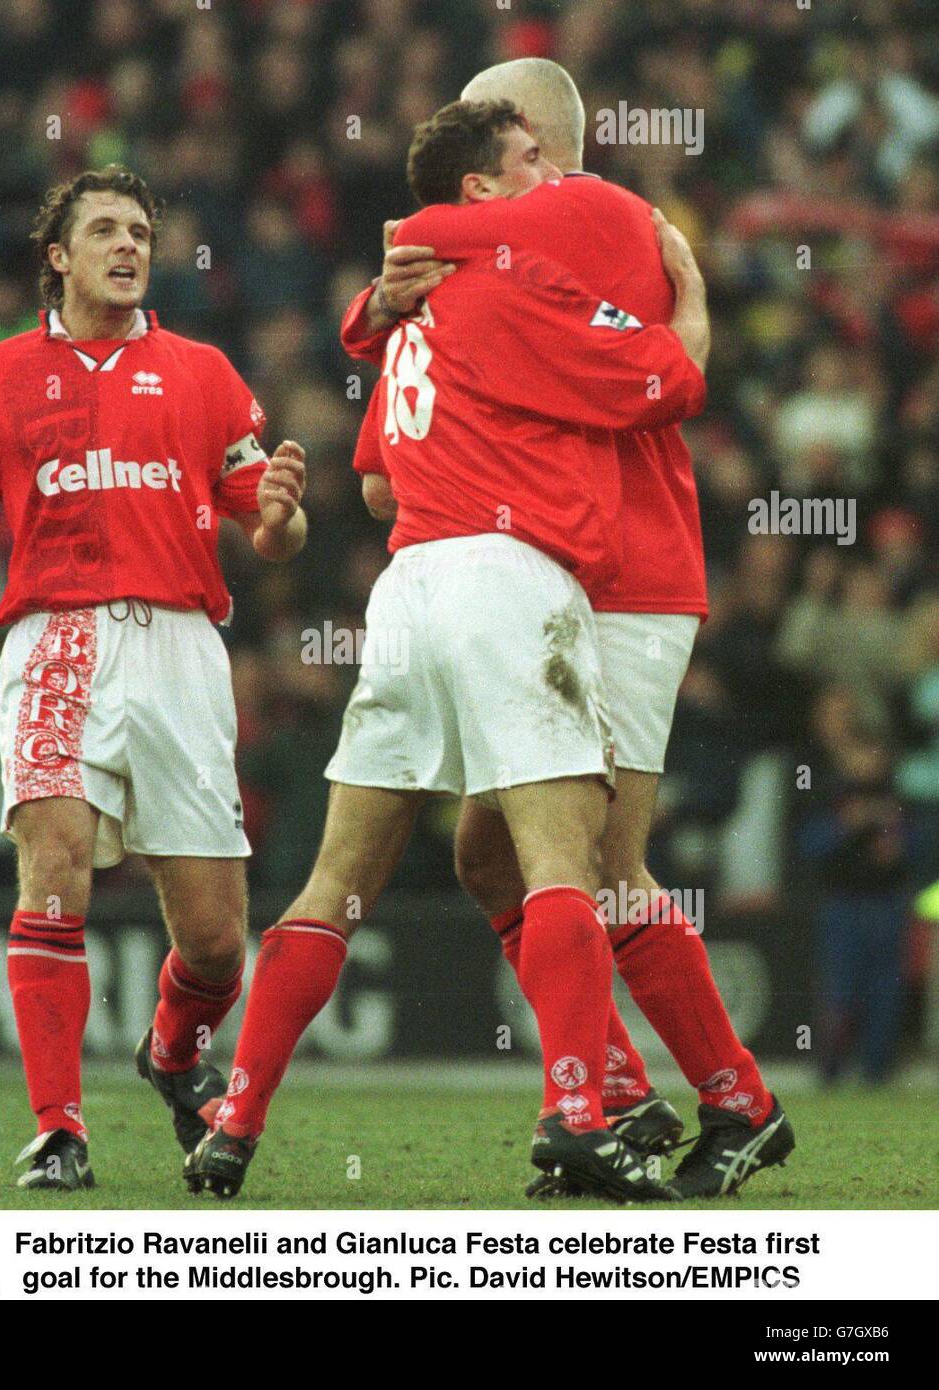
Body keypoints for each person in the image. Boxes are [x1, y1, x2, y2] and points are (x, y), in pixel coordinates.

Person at [188, 101, 709, 1203]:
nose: (553, 175)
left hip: (408, 586)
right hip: (508, 579)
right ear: (479, 189)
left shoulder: (412, 311)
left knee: (336, 880)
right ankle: (578, 1113)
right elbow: (672, 379)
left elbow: (372, 477)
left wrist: (386, 321)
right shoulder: (522, 281)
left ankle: (233, 1120)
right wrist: (693, 299)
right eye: (531, 160)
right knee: (560, 861)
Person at [344, 59, 795, 1201]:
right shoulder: (517, 243)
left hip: (632, 573)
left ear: (529, 139)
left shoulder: (586, 211)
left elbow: (413, 251)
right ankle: (620, 1094)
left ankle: (729, 1100)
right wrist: (377, 305)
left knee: (602, 861)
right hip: (555, 570)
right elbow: (388, 303)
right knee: (489, 849)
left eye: (498, 136)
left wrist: (383, 290)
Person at [0, 166, 308, 1190]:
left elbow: (267, 529)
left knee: (213, 941)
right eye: (106, 230)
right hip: (54, 640)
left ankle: (168, 1053)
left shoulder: (202, 371)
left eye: (142, 232)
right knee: (54, 866)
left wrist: (284, 512)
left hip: (180, 649)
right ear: (57, 257)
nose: (128, 245)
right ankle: (58, 1128)